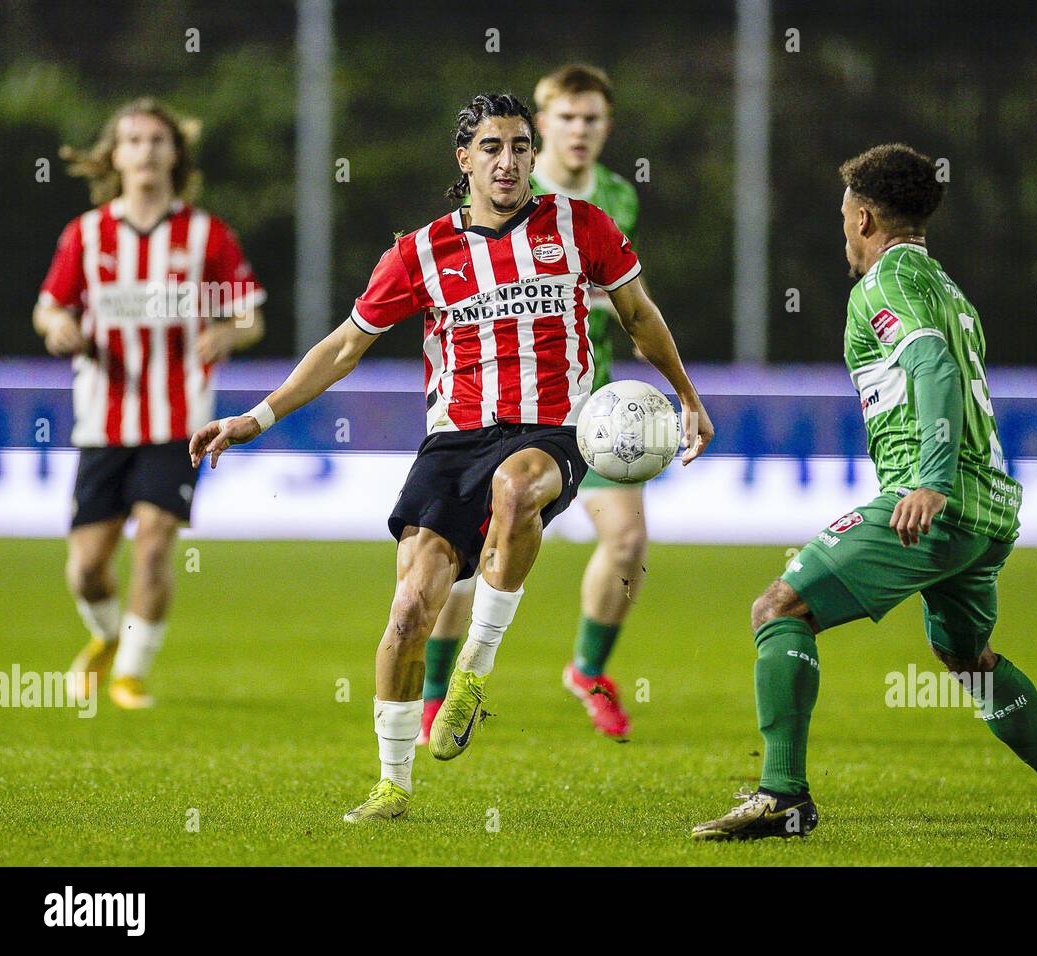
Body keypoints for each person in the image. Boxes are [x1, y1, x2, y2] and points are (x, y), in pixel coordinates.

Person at [189, 93, 713, 823]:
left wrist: (685, 393)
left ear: (535, 156)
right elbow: (344, 345)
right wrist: (257, 415)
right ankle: (392, 785)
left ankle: (475, 667)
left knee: (515, 488)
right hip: (451, 441)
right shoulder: (419, 252)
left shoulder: (581, 226)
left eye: (522, 147)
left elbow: (638, 315)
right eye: (493, 147)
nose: (509, 161)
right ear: (464, 159)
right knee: (408, 613)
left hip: (552, 428)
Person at [692, 144, 1037, 841]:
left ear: (864, 217)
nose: (843, 232)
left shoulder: (884, 285)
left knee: (779, 609)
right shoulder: (947, 289)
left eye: (845, 217)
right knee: (970, 661)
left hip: (938, 499)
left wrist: (931, 480)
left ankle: (782, 795)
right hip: (991, 509)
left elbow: (934, 368)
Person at [419, 65, 647, 742]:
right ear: (540, 125)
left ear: (606, 126)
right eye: (566, 118)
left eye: (592, 119)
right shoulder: (510, 185)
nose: (579, 131)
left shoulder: (613, 197)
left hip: (591, 411)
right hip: (496, 407)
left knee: (629, 542)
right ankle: (438, 694)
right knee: (465, 560)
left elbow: (617, 284)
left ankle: (588, 671)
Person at [36, 97, 265, 710]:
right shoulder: (86, 235)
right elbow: (50, 306)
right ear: (115, 155)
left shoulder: (206, 234)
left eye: (157, 140)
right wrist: (56, 325)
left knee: (157, 539)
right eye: (133, 140)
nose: (146, 150)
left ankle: (130, 674)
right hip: (104, 418)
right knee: (86, 567)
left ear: (174, 154)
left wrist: (229, 330)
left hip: (180, 417)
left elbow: (249, 314)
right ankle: (108, 636)